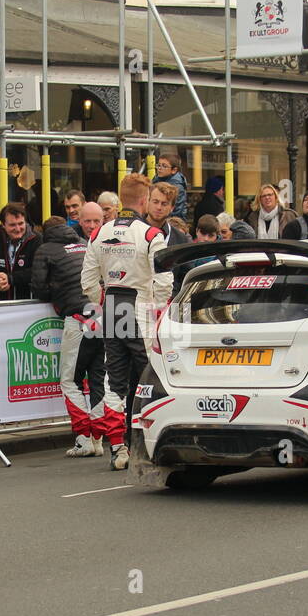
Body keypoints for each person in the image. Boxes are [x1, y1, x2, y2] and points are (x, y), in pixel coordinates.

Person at [81, 173, 171, 471]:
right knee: (150, 375)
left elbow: (88, 282)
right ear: (145, 201)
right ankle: (146, 442)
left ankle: (119, 448)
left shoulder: (98, 233)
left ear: (121, 200)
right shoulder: (150, 235)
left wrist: (103, 301)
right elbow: (165, 279)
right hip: (139, 309)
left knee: (114, 379)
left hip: (110, 308)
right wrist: (154, 308)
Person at [32, 216, 106, 458]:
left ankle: (83, 438)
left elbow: (39, 288)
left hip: (78, 317)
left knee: (69, 380)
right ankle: (97, 438)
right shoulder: (85, 243)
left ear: (45, 232)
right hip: (102, 314)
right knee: (97, 379)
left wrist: (56, 289)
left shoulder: (45, 249)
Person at [145, 182, 191, 247]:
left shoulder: (180, 239)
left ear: (172, 208)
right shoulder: (133, 231)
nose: (159, 207)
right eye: (155, 202)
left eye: (164, 204)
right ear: (148, 202)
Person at [153, 152, 189, 219]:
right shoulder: (156, 179)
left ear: (174, 170)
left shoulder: (177, 187)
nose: (160, 168)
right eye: (159, 165)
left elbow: (176, 211)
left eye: (164, 166)